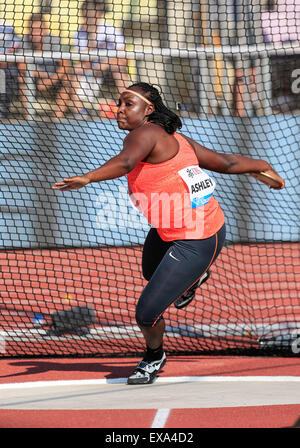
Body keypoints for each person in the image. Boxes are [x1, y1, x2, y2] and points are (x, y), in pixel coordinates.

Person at [53, 82, 282, 385]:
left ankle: (153, 356)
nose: (119, 110)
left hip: (197, 235)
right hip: (166, 230)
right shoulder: (174, 138)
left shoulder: (143, 133)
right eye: (118, 104)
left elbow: (126, 162)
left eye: (127, 105)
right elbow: (225, 162)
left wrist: (88, 177)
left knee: (146, 314)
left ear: (148, 110)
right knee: (151, 271)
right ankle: (193, 279)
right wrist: (262, 166)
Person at [72, 0, 130, 118]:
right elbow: (84, 61)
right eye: (85, 16)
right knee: (76, 68)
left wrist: (106, 62)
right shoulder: (79, 34)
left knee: (117, 67)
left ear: (98, 14)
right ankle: (79, 112)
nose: (86, 20)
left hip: (110, 69)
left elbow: (125, 58)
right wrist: (92, 38)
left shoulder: (110, 29)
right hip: (92, 70)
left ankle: (125, 108)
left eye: (90, 16)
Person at [19, 13, 79, 119]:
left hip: (54, 79)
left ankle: (56, 119)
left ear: (45, 29)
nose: (35, 33)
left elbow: (65, 65)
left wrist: (50, 80)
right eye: (32, 30)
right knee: (21, 79)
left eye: (39, 30)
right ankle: (28, 119)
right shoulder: (24, 41)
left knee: (68, 79)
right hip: (34, 79)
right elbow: (22, 66)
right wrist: (42, 75)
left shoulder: (54, 41)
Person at [0, 20, 27, 119]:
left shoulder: (7, 27)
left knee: (4, 74)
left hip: (6, 66)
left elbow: (16, 42)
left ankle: (2, 113)